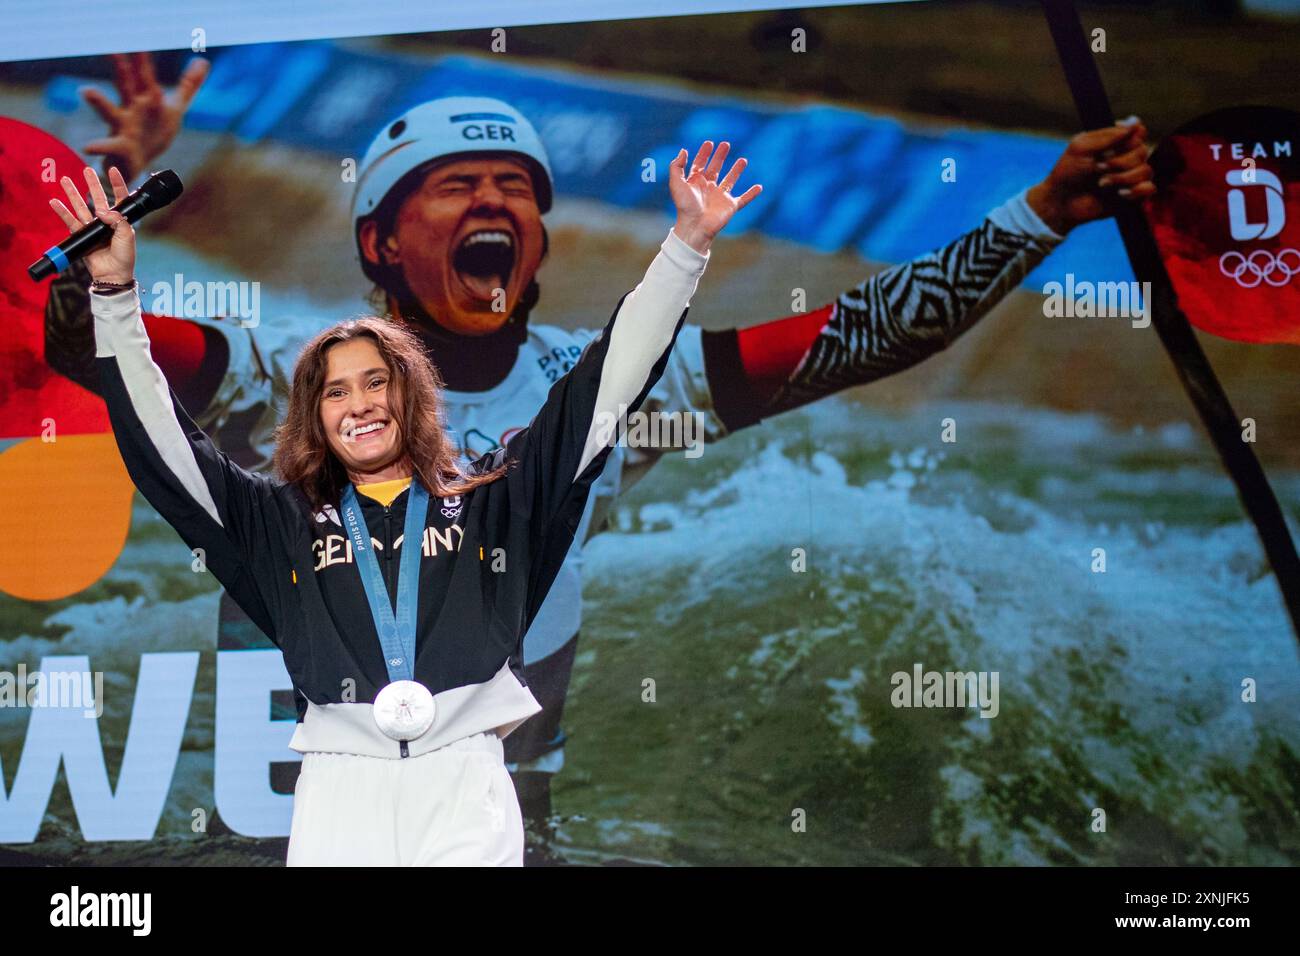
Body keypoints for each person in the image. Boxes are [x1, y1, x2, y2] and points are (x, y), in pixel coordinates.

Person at [41, 53, 1156, 862]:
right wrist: (91, 217)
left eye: (517, 185)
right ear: (379, 241)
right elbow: (86, 345)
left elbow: (860, 336)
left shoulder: (619, 389)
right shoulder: (282, 374)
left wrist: (1041, 211)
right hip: (283, 835)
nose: (494, 198)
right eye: (457, 184)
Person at [48, 139, 760, 865]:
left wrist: (686, 246)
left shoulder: (495, 500)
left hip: (467, 784)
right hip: (337, 792)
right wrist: (112, 294)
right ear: (313, 417)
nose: (358, 404)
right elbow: (163, 449)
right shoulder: (279, 522)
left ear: (412, 398)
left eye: (376, 382)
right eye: (334, 391)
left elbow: (603, 389)